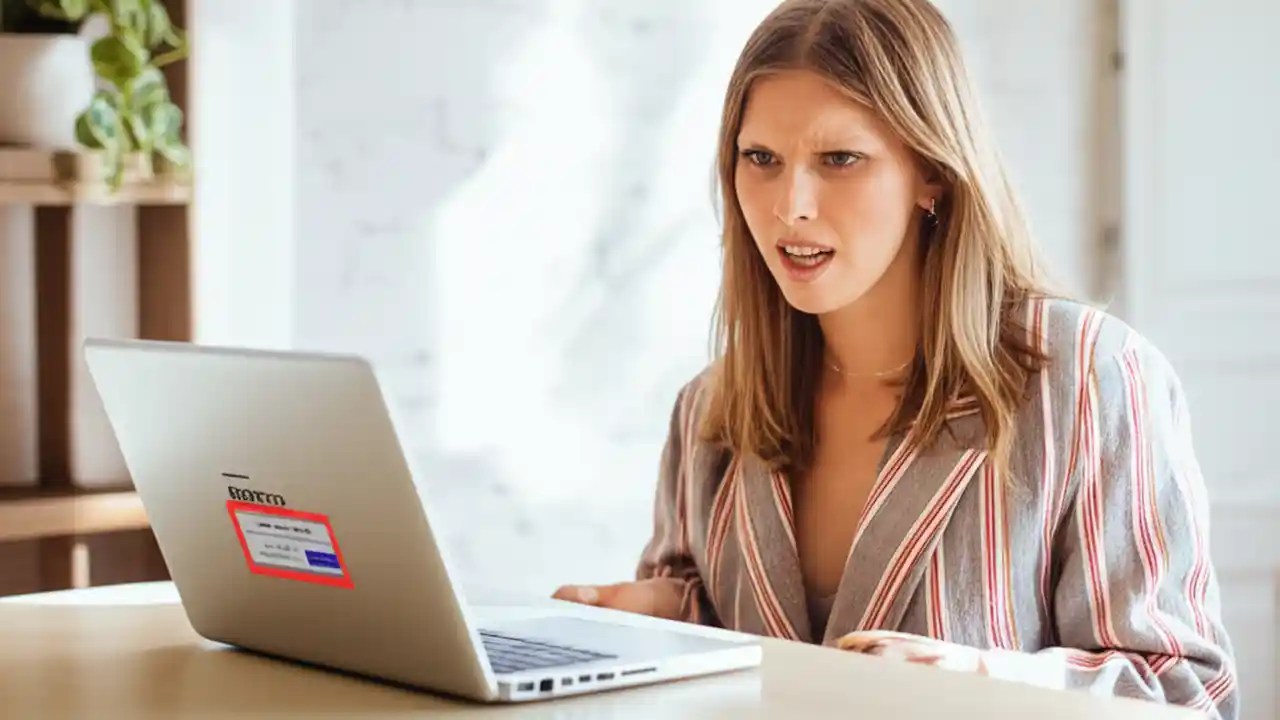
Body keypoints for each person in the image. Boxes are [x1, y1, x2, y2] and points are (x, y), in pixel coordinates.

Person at [552, 0, 1237, 715]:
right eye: (761, 159)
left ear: (931, 172)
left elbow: (1189, 694)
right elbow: (733, 652)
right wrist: (661, 617)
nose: (791, 205)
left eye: (840, 160)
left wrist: (978, 681)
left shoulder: (1089, 376)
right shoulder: (709, 411)